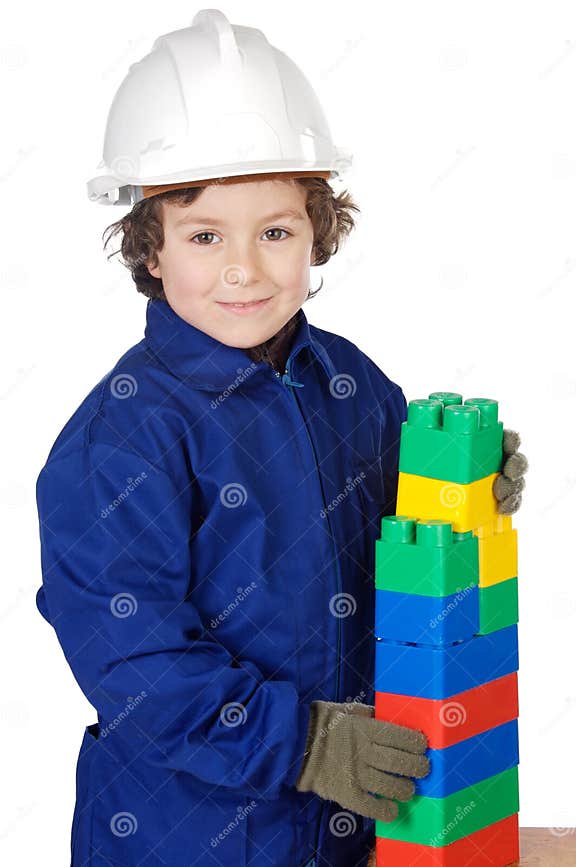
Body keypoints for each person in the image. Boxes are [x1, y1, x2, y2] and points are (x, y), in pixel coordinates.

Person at [34, 11, 528, 867]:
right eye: (203, 236)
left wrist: (460, 482)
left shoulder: (351, 382)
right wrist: (303, 745)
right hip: (184, 836)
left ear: (317, 232)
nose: (244, 270)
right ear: (150, 251)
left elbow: (405, 538)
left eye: (275, 231)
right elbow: (134, 660)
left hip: (359, 822)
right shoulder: (119, 439)